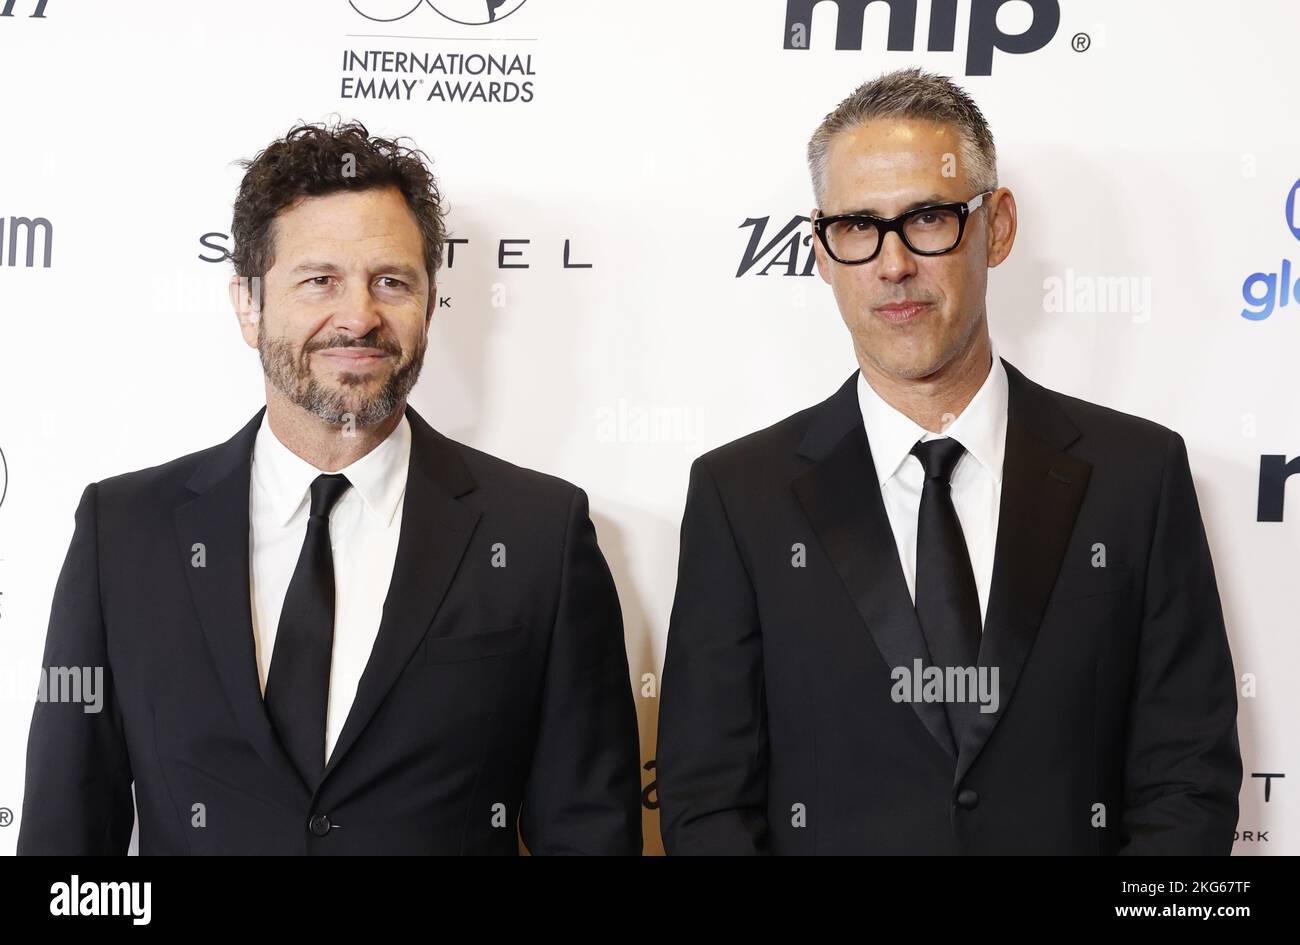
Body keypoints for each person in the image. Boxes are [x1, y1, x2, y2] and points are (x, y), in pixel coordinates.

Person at [657, 68, 1241, 855]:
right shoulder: (740, 496)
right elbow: (707, 802)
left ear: (996, 227)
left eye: (928, 218)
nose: (892, 264)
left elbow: (1187, 779)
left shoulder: (1138, 476)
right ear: (822, 253)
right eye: (858, 227)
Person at [18, 120, 642, 855]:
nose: (359, 315)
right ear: (249, 303)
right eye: (320, 280)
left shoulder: (539, 533)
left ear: (430, 303)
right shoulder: (123, 532)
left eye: (392, 281)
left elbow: (590, 833)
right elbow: (64, 841)